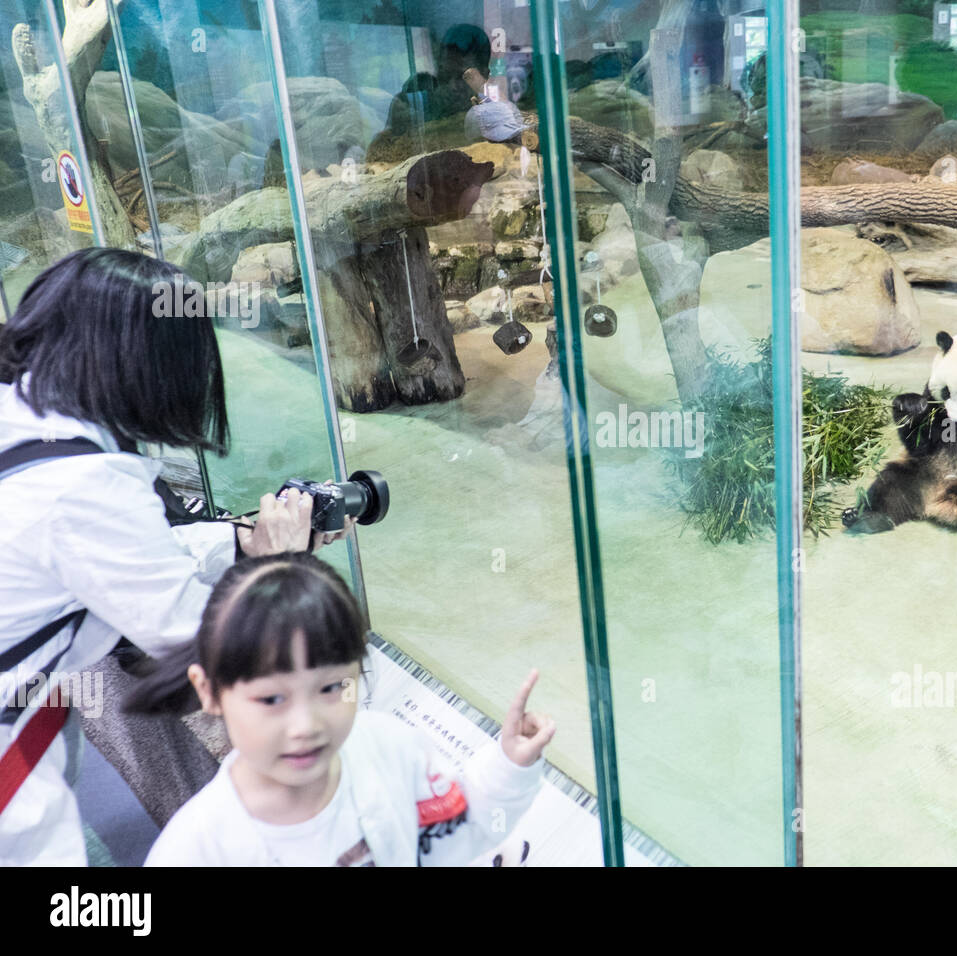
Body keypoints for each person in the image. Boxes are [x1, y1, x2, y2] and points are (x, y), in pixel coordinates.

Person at [0, 248, 347, 865]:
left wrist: (237, 541)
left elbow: (96, 556)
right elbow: (203, 649)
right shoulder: (85, 485)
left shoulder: (23, 414)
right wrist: (283, 568)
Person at [126, 553, 553, 865]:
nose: (305, 725)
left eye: (331, 687)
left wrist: (509, 766)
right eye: (272, 698)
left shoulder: (389, 747)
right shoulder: (195, 852)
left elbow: (455, 833)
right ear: (210, 691)